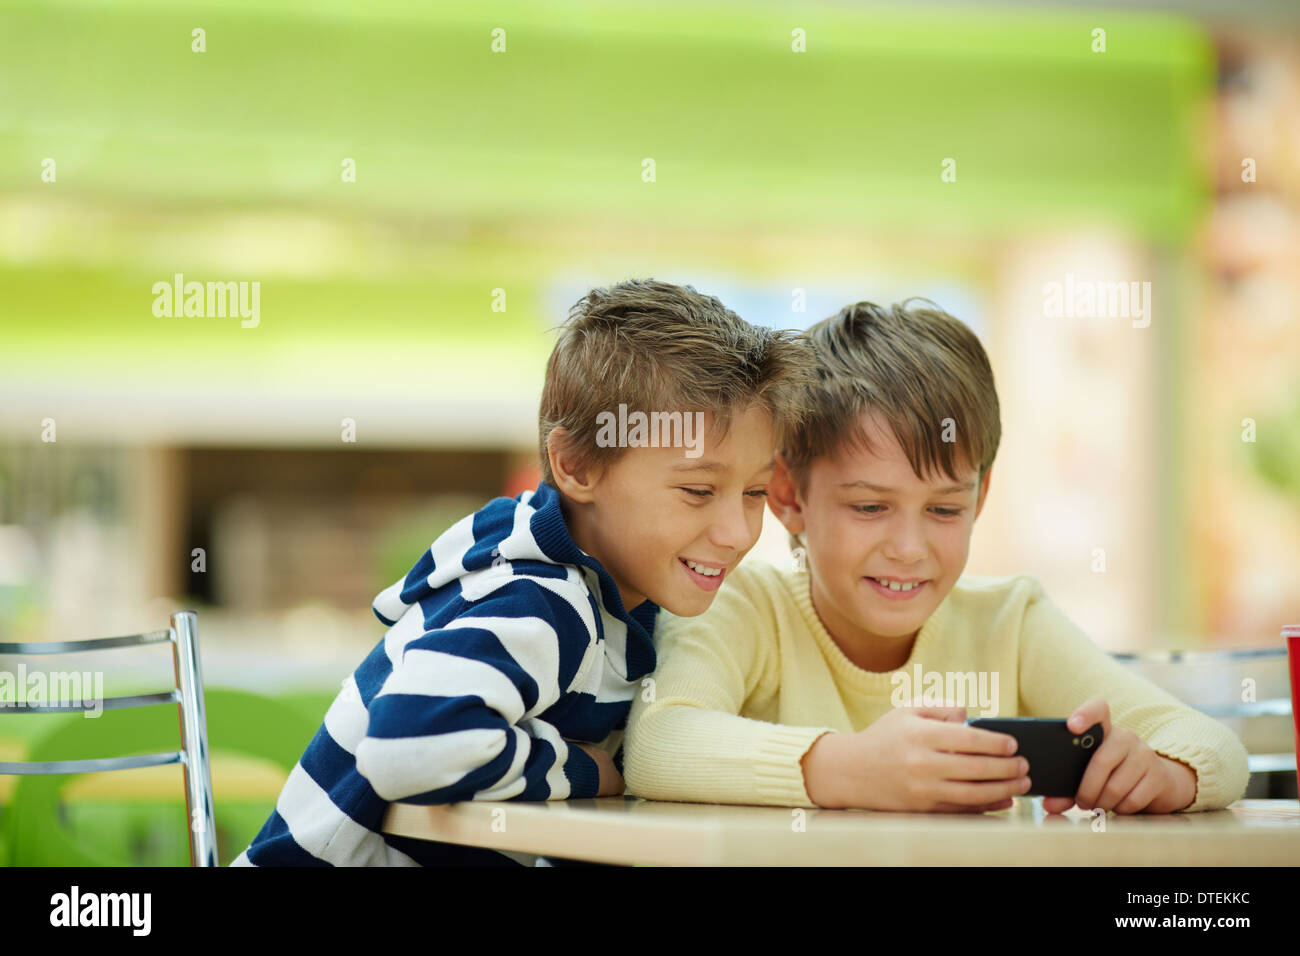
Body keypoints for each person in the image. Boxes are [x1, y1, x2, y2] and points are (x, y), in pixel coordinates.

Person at [232, 278, 814, 865]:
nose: (738, 533)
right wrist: (585, 770)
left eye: (755, 492)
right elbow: (407, 749)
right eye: (698, 491)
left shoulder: (617, 601)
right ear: (576, 466)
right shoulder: (539, 600)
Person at [623, 299, 1250, 815]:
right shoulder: (742, 609)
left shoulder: (1011, 622)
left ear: (980, 497)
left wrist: (1166, 773)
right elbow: (656, 743)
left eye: (945, 509)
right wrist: (853, 768)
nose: (908, 548)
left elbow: (1210, 743)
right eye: (870, 506)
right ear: (789, 495)